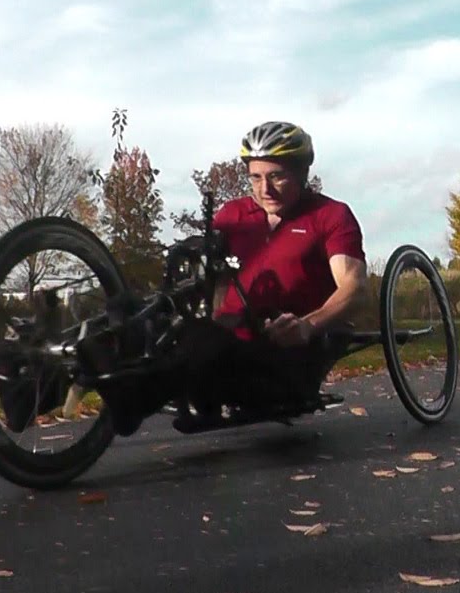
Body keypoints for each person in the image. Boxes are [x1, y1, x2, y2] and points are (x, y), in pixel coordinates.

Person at [96, 120, 369, 436]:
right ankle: (43, 380)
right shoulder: (233, 216)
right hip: (227, 340)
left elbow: (354, 288)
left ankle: (130, 402)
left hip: (286, 354)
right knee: (128, 309)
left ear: (302, 172)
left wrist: (307, 325)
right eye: (256, 177)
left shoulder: (330, 216)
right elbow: (213, 282)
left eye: (277, 176)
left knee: (201, 343)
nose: (264, 189)